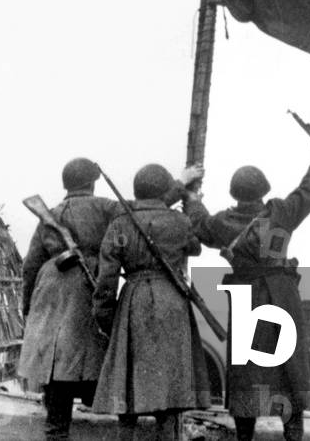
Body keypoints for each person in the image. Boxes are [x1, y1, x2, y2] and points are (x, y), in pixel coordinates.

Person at [182, 145, 310, 441]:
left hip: (245, 302)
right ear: (263, 189)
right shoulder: (280, 214)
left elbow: (200, 223)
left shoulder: (222, 224)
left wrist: (190, 198)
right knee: (289, 375)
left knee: (246, 377)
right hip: (282, 298)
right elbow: (309, 192)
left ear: (234, 193)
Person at [91, 163, 211, 441]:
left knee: (127, 391)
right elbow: (194, 246)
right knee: (170, 395)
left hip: (134, 301)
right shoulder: (179, 222)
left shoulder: (121, 223)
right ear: (165, 189)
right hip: (172, 301)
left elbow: (106, 280)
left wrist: (107, 320)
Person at [17, 158, 120, 441]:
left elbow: (30, 266)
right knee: (82, 352)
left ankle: (57, 425)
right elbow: (140, 215)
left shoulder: (51, 214)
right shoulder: (107, 208)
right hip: (86, 283)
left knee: (56, 359)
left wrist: (28, 306)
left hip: (50, 282)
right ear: (92, 182)